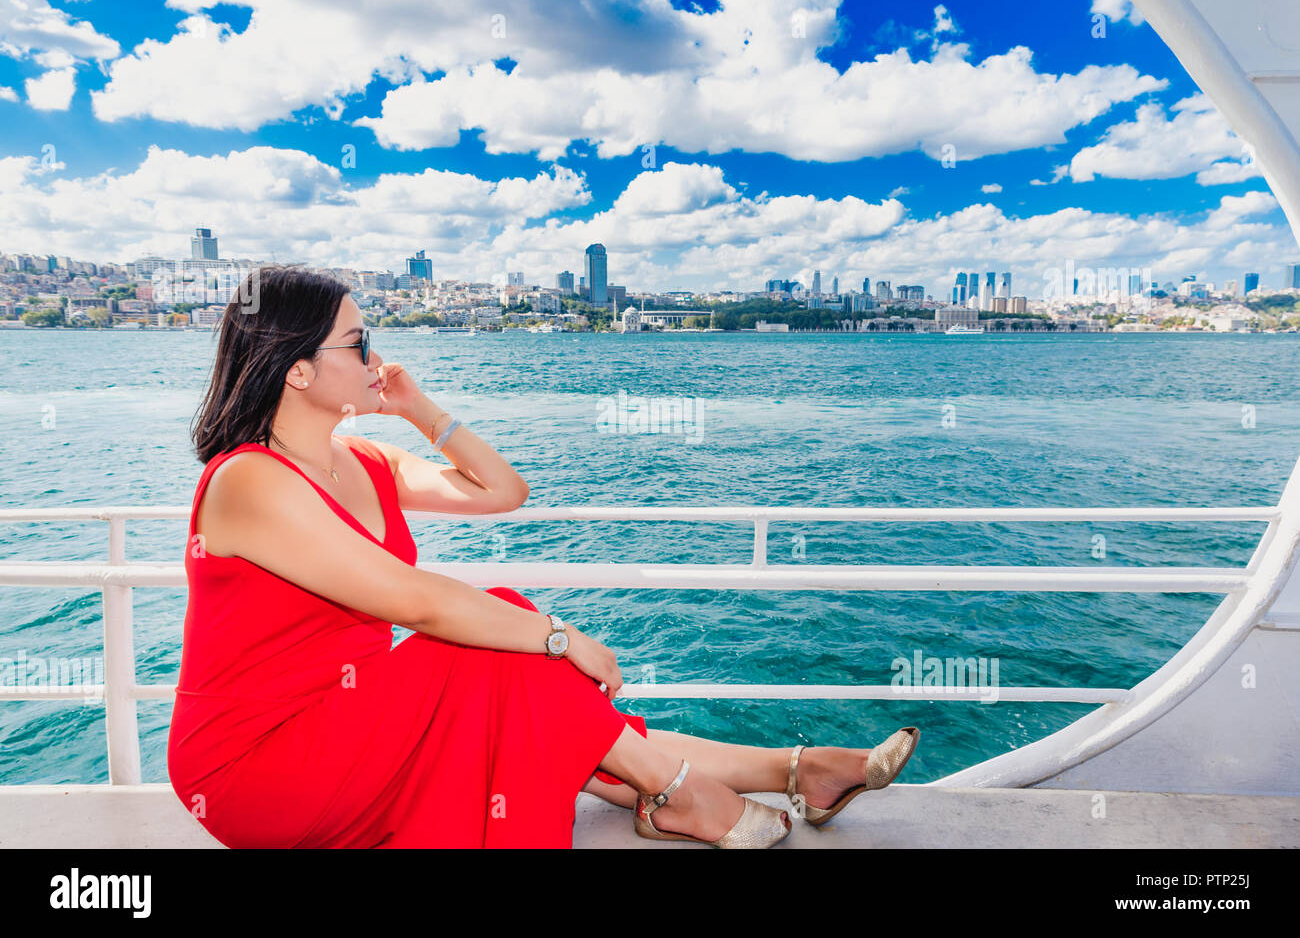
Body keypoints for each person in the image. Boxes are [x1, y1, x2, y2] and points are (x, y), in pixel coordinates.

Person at [168, 265, 918, 849]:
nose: (377, 355)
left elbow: (502, 491)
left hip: (348, 721)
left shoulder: (364, 460)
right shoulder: (248, 483)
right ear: (298, 369)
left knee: (523, 669)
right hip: (261, 765)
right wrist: (562, 638)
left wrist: (422, 409)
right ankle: (683, 790)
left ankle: (792, 771)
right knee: (503, 636)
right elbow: (418, 602)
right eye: (358, 343)